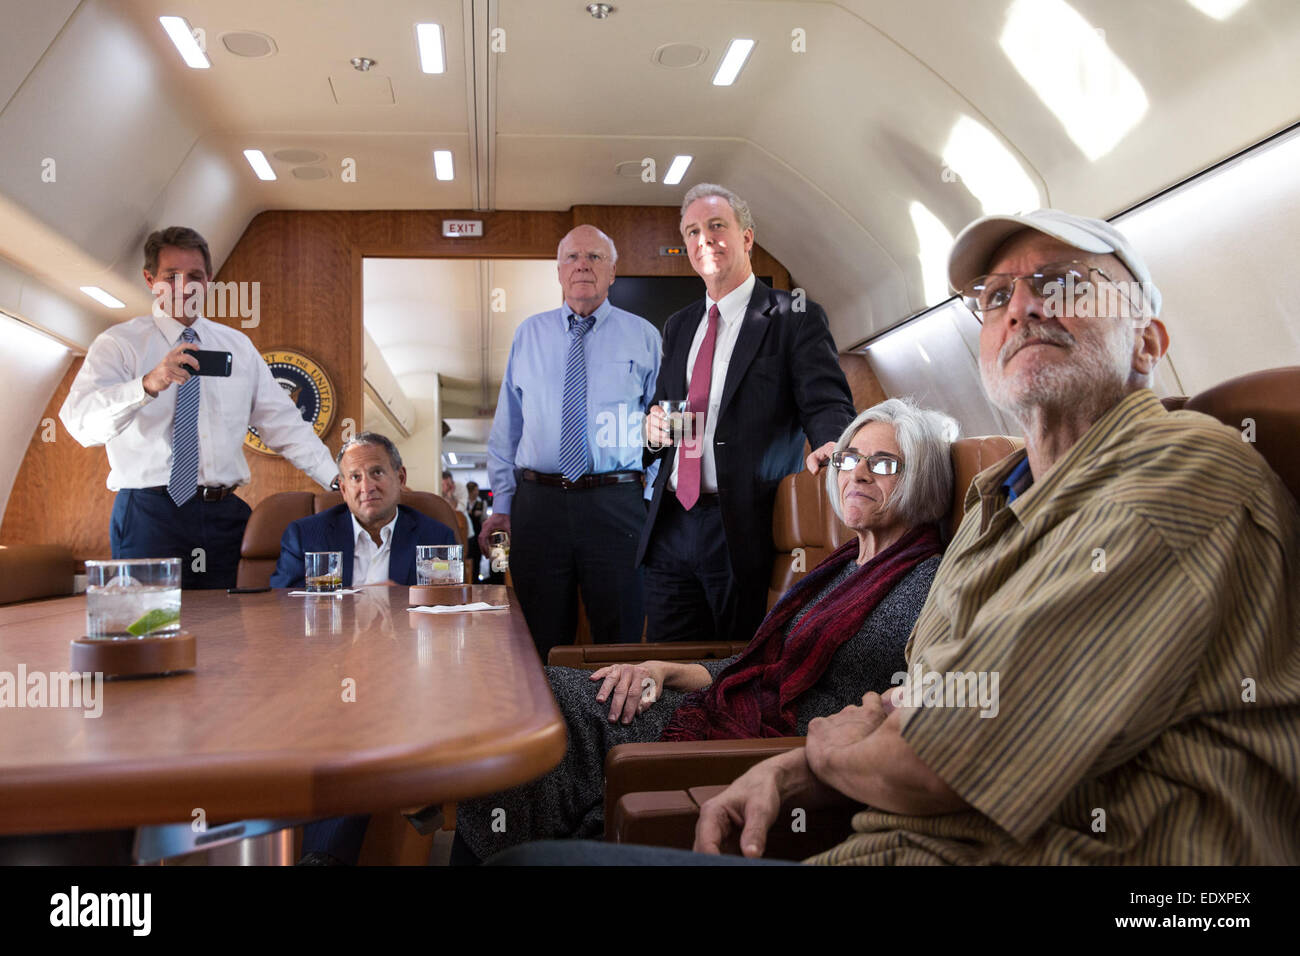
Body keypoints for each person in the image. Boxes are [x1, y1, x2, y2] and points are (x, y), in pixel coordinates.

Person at [494, 209, 1300, 866]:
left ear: (1149, 347)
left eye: (1063, 283)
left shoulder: (1173, 478)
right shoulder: (994, 503)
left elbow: (941, 746)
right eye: (995, 296)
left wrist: (818, 747)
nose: (1021, 306)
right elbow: (923, 699)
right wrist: (812, 756)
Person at [451, 399, 957, 862]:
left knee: (544, 709)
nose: (858, 474)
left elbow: (902, 715)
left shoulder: (929, 583)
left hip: (759, 747)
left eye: (883, 463)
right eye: (849, 459)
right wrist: (662, 668)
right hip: (723, 709)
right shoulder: (841, 567)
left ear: (923, 479)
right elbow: (757, 667)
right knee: (529, 694)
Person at [59, 226, 338, 589]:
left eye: (194, 276)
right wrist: (147, 385)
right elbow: (81, 424)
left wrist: (336, 479)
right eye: (170, 276)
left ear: (208, 281)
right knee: (151, 631)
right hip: (150, 514)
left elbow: (284, 425)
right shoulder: (119, 345)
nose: (184, 287)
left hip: (222, 514)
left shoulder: (237, 346)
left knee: (223, 637)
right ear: (150, 280)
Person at [639, 184, 855, 645]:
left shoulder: (794, 316)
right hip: (670, 522)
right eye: (692, 231)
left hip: (743, 523)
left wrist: (835, 443)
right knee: (664, 670)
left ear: (747, 238)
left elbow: (824, 401)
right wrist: (652, 428)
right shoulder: (678, 326)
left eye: (717, 226)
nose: (704, 239)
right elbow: (662, 406)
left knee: (736, 668)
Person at [482, 225, 661, 656]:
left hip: (616, 505)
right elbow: (507, 429)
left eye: (596, 257)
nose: (583, 265)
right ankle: (551, 723)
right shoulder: (529, 334)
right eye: (573, 258)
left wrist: (654, 503)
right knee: (540, 637)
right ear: (559, 272)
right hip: (538, 505)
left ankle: (615, 724)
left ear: (613, 272)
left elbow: (665, 430)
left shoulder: (646, 337)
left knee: (620, 634)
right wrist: (502, 507)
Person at [270, 432, 454, 588]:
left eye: (377, 473)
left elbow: (447, 605)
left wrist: (400, 599)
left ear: (400, 478)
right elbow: (284, 605)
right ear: (343, 489)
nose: (367, 487)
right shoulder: (305, 537)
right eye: (355, 477)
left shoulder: (436, 538)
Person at [465, 481, 486, 581]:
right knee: (467, 557)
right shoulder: (464, 503)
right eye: (476, 490)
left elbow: (483, 519)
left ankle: (476, 580)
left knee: (477, 558)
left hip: (477, 533)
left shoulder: (481, 503)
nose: (477, 492)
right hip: (467, 534)